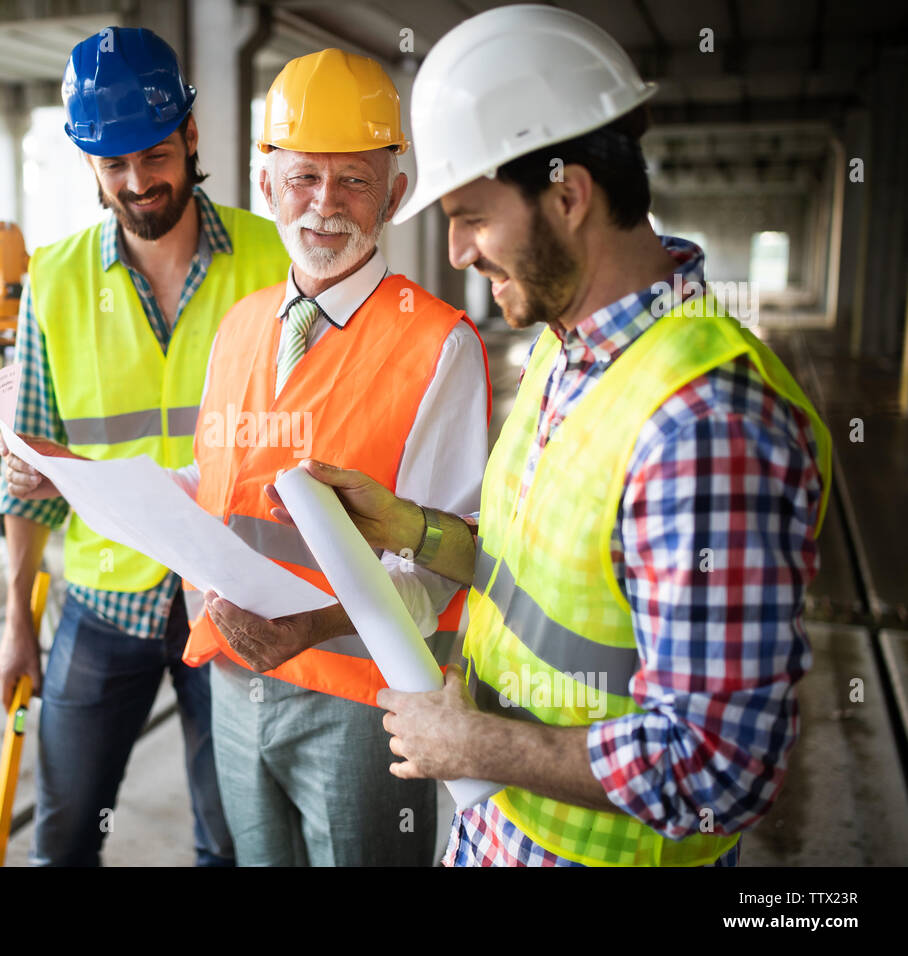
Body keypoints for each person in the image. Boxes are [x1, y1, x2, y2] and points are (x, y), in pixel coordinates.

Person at [274, 6, 832, 867]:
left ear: (569, 195)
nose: (456, 250)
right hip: (500, 829)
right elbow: (541, 574)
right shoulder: (564, 349)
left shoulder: (704, 424)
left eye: (473, 217)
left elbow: (722, 768)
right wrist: (411, 529)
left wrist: (475, 746)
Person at [176, 49, 492, 866]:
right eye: (303, 176)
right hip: (233, 682)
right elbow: (218, 484)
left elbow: (456, 556)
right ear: (266, 180)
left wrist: (311, 624)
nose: (324, 204)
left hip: (367, 703)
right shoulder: (240, 325)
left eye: (352, 179)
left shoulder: (438, 343)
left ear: (394, 190)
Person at [0, 25, 289, 867]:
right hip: (99, 598)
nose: (137, 183)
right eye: (112, 165)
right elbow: (32, 481)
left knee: (230, 840)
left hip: (228, 598)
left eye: (154, 155)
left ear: (192, 138)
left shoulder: (274, 260)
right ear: (88, 164)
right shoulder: (51, 279)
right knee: (65, 835)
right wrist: (18, 619)